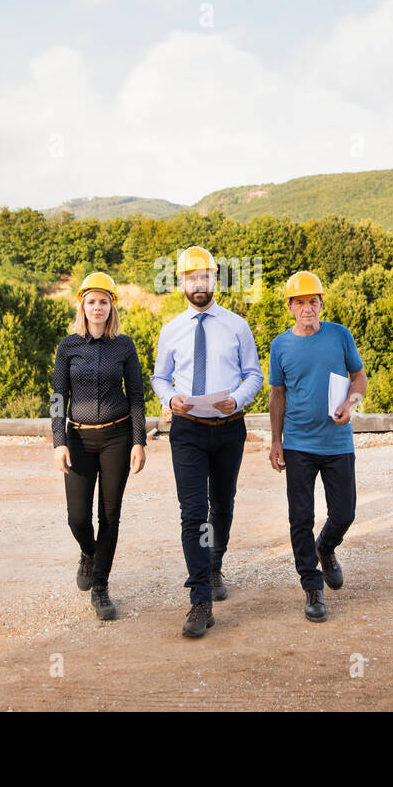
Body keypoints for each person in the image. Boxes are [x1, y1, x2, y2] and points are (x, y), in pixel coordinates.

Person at [152, 246, 263, 638]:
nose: (199, 284)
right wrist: (169, 399)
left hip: (229, 427)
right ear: (181, 282)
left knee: (223, 504)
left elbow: (254, 374)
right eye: (191, 277)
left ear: (216, 280)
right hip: (188, 431)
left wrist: (239, 397)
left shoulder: (237, 325)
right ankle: (200, 600)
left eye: (206, 277)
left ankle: (215, 564)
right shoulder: (171, 330)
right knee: (192, 513)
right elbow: (159, 378)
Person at [267, 271, 368, 622]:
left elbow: (359, 376)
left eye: (313, 301)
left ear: (321, 304)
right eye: (300, 302)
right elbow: (277, 394)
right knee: (301, 517)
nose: (307, 308)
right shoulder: (280, 345)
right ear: (291, 308)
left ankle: (325, 549)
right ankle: (312, 587)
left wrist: (352, 403)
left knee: (345, 514)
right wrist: (276, 441)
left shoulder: (340, 336)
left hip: (337, 441)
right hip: (298, 444)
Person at [51, 272, 146, 621]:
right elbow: (59, 398)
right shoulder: (68, 346)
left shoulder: (125, 345)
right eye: (91, 301)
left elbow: (136, 396)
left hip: (117, 438)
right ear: (83, 305)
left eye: (103, 301)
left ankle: (102, 587)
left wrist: (139, 440)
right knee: (77, 517)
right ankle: (88, 554)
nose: (97, 307)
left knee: (109, 515)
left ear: (112, 306)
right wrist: (58, 442)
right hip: (76, 438)